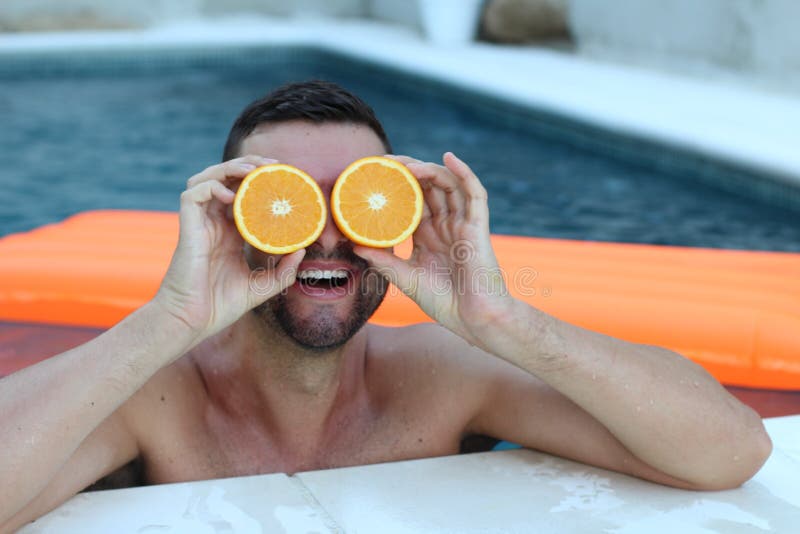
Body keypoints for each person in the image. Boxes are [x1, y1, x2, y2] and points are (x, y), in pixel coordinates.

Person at [0, 80, 771, 530]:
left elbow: (729, 453)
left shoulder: (444, 377)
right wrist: (168, 321)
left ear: (396, 214)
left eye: (361, 201)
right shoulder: (154, 395)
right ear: (232, 213)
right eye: (290, 202)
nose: (329, 236)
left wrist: (504, 319)